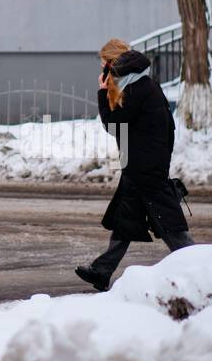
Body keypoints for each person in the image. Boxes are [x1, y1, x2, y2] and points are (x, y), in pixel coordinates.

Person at [76, 38, 193, 292]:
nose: (103, 71)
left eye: (105, 65)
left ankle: (198, 267)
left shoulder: (137, 88)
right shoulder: (142, 83)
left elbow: (113, 124)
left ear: (112, 64)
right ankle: (102, 271)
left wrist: (101, 91)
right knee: (126, 218)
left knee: (170, 225)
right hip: (141, 164)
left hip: (145, 168)